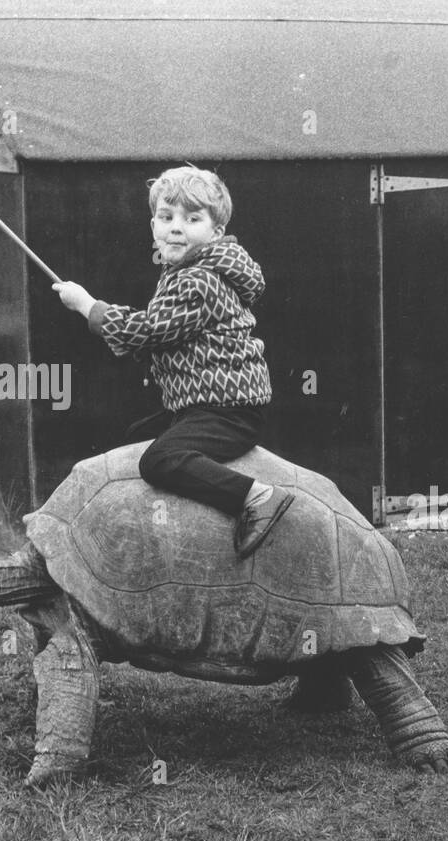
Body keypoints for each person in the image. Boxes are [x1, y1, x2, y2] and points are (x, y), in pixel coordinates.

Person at [53, 166, 292, 559]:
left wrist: (88, 307)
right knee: (135, 436)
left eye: (192, 219)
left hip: (226, 411)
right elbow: (162, 330)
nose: (176, 228)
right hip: (204, 406)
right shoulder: (185, 271)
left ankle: (256, 497)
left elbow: (148, 331)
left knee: (160, 460)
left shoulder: (197, 280)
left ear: (215, 232)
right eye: (167, 218)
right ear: (153, 226)